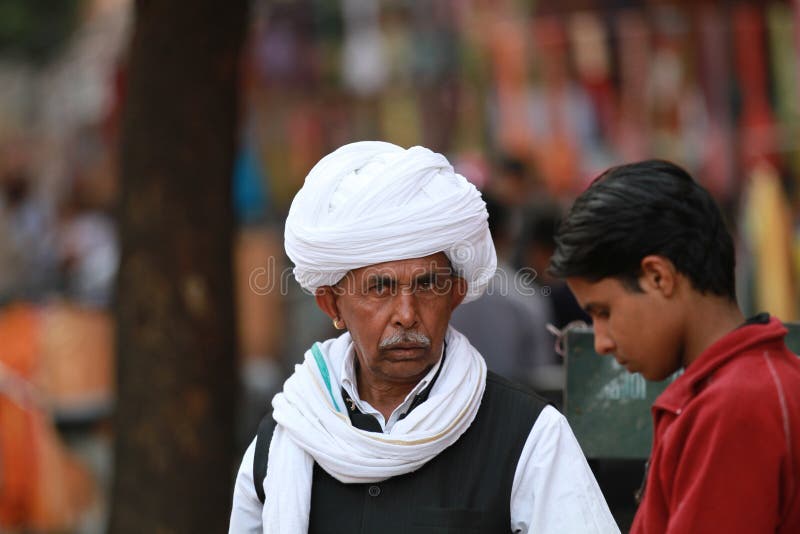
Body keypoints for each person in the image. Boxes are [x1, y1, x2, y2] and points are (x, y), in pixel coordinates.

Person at [228, 141, 618, 533]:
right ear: (332, 305)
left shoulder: (531, 436)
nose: (406, 315)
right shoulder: (286, 437)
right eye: (379, 288)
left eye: (428, 285)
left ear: (456, 294)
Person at [549, 159, 800, 533]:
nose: (600, 342)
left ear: (658, 276)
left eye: (604, 311)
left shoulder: (736, 406)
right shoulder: (738, 388)